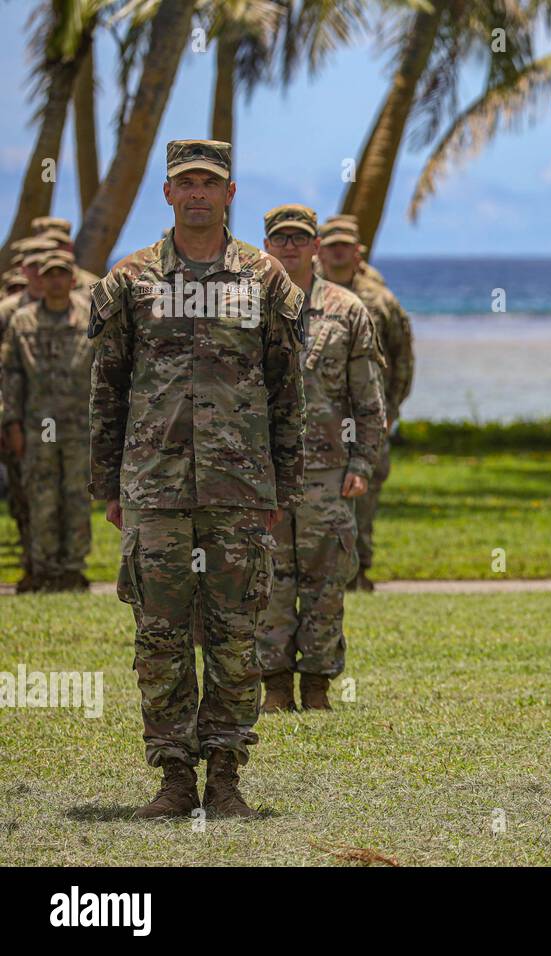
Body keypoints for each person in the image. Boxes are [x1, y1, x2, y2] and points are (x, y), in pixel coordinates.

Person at [88, 139, 306, 819]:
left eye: (210, 182)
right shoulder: (129, 282)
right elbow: (108, 390)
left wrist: (284, 488)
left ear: (231, 193)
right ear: (168, 193)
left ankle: (227, 774)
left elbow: (286, 391)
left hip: (239, 492)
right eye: (186, 183)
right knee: (159, 635)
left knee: (237, 636)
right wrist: (109, 488)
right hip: (154, 489)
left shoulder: (266, 281)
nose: (199, 194)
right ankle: (174, 774)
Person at [257, 204, 386, 712]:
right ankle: (273, 687)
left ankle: (317, 687)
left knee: (327, 582)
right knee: (267, 581)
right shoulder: (247, 306)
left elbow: (368, 399)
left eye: (299, 238)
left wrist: (361, 465)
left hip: (328, 473)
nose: (290, 246)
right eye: (280, 238)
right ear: (266, 245)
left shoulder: (348, 309)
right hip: (263, 473)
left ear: (315, 246)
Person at [316, 216, 414, 591]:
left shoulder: (379, 300)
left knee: (365, 493)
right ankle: (324, 572)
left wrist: (391, 411)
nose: (337, 251)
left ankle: (358, 570)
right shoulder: (302, 293)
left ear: (358, 252)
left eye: (345, 245)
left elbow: (402, 358)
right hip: (319, 420)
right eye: (331, 244)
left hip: (367, 418)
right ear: (319, 249)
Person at [1, 250, 92, 591]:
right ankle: (43, 567)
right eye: (48, 274)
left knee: (76, 497)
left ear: (72, 279)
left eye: (61, 274)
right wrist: (11, 423)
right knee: (41, 496)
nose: (55, 280)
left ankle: (72, 568)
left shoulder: (88, 318)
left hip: (79, 427)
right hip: (38, 427)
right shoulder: (22, 321)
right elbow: (11, 376)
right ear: (39, 279)